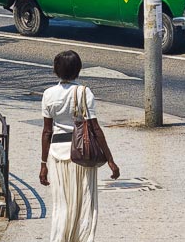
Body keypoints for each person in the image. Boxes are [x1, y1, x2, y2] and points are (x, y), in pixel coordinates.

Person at [40, 50, 120, 242]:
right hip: (83, 154)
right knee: (84, 202)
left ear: (56, 70)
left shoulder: (48, 94)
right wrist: (110, 160)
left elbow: (47, 132)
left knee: (61, 204)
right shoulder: (85, 93)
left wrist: (43, 165)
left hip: (57, 154)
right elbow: (95, 128)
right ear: (78, 70)